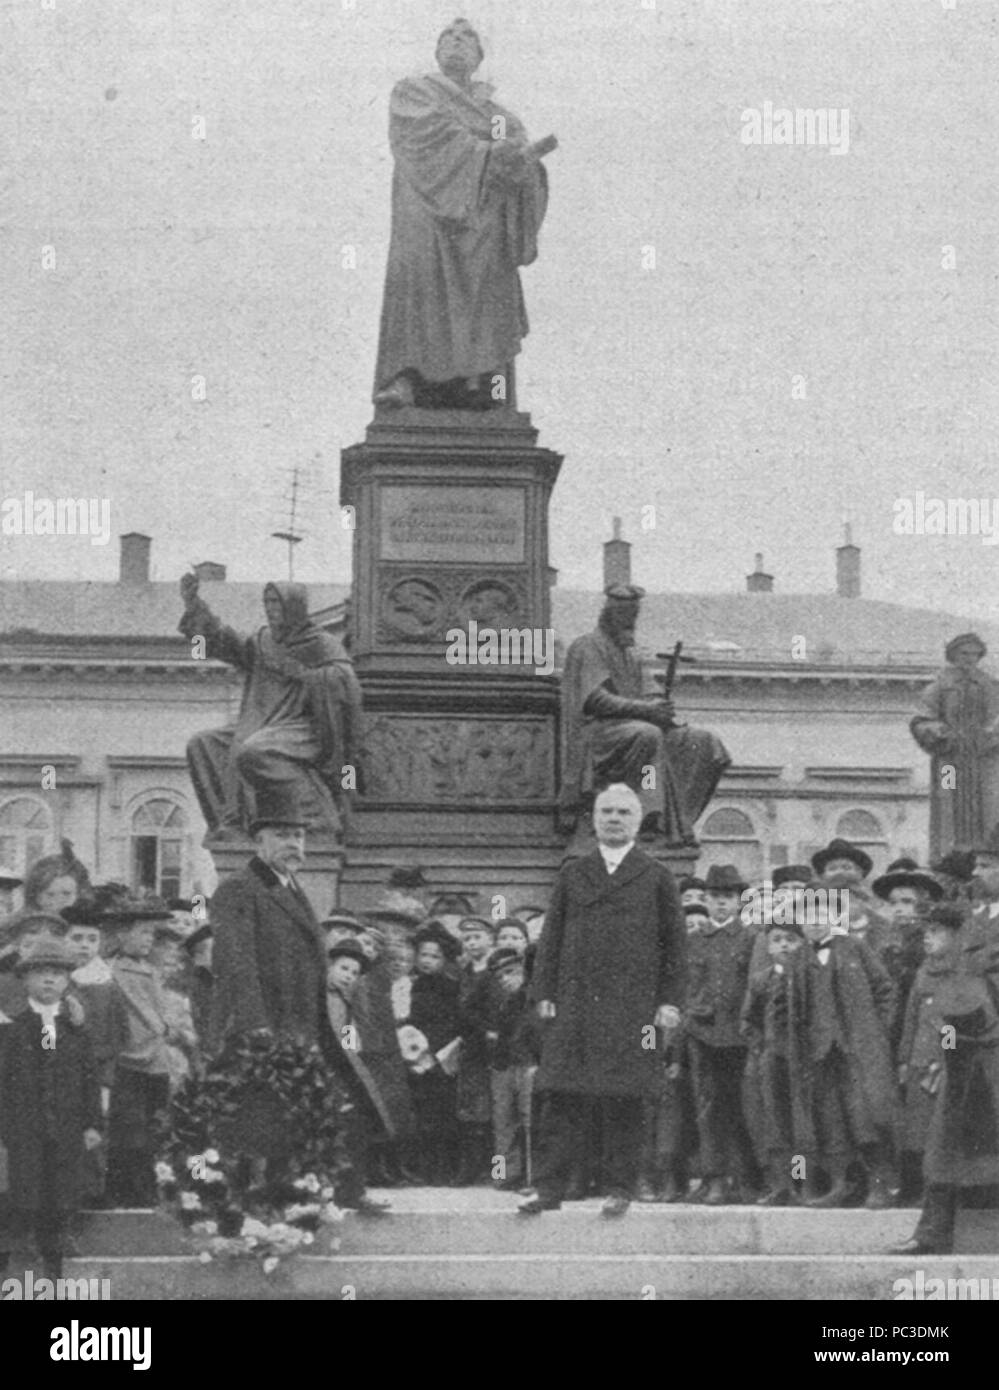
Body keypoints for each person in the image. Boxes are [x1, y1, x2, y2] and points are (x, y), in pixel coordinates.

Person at [521, 783, 686, 1218]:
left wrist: (669, 1001)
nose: (614, 819)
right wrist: (544, 993)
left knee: (624, 1099)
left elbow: (675, 945)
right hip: (575, 1004)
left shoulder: (656, 875)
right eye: (606, 812)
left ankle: (620, 1187)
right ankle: (548, 1187)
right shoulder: (574, 874)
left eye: (623, 813)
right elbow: (551, 939)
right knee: (561, 1095)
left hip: (633, 1007)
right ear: (594, 820)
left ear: (637, 822)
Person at [373, 18, 549, 410]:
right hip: (426, 212)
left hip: (481, 222)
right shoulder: (415, 92)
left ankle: (491, 391)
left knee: (490, 295)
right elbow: (425, 138)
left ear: (479, 56)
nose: (457, 41)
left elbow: (508, 143)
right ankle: (404, 382)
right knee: (418, 285)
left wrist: (520, 162)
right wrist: (489, 155)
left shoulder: (494, 112)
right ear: (437, 52)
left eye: (467, 37)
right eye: (448, 37)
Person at [179, 574, 362, 840]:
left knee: (255, 750)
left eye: (276, 602)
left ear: (294, 606)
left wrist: (304, 675)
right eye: (267, 602)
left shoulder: (321, 643)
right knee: (202, 744)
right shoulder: (262, 640)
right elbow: (221, 643)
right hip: (260, 723)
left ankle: (315, 818)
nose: (270, 609)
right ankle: (229, 825)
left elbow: (346, 685)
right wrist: (194, 606)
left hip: (304, 725)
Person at [208, 787, 327, 1161]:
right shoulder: (239, 889)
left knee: (292, 1118)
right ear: (259, 841)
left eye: (299, 835)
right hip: (265, 1027)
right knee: (260, 1120)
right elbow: (236, 963)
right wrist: (255, 1024)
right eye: (282, 835)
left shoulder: (292, 888)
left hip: (299, 1025)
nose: (293, 844)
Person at [558, 586, 731, 844]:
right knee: (648, 735)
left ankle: (679, 818)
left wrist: (661, 708)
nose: (630, 622)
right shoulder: (588, 646)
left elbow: (650, 692)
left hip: (633, 729)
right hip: (598, 734)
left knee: (704, 742)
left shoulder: (631, 656)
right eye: (624, 615)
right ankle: (651, 811)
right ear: (608, 615)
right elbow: (596, 699)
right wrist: (646, 710)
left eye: (633, 616)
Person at [891, 913, 999, 1255]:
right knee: (941, 1155)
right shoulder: (946, 973)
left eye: (936, 931)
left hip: (984, 1074)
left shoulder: (975, 973)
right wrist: (943, 1056)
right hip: (962, 1073)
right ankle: (932, 1234)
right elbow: (946, 1025)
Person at [0, 934, 102, 1272]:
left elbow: (88, 1078)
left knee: (60, 1194)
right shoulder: (13, 1028)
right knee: (24, 1192)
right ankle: (15, 1263)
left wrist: (92, 1123)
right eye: (40, 973)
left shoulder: (74, 1029)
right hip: (24, 1127)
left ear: (67, 980)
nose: (49, 980)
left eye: (57, 974)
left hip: (66, 1127)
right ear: (25, 979)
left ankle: (55, 1262)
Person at [803, 890, 898, 1209]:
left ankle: (880, 1184)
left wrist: (875, 1031)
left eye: (821, 917)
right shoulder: (799, 957)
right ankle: (842, 1184)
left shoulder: (855, 947)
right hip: (820, 1052)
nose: (815, 924)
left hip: (857, 1049)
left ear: (834, 919)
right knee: (832, 1118)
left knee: (866, 1116)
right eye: (808, 919)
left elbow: (885, 990)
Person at [684, 864, 760, 1204]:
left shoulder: (752, 939)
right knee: (708, 1108)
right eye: (714, 896)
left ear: (739, 901)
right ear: (706, 900)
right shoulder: (693, 940)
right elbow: (684, 986)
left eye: (728, 896)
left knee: (745, 1106)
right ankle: (714, 1178)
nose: (721, 903)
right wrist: (691, 1017)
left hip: (741, 1036)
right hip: (703, 1034)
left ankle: (746, 1179)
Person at [741, 912, 816, 1206]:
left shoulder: (811, 977)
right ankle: (781, 1185)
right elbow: (748, 1020)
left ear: (802, 943)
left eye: (791, 939)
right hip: (772, 1060)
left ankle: (803, 1184)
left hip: (803, 1059)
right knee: (775, 1122)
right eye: (777, 940)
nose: (784, 945)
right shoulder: (761, 980)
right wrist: (761, 1047)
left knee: (802, 1124)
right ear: (769, 946)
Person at [105, 898, 177, 1206]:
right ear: (122, 934)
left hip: (157, 1061)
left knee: (154, 1126)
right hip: (133, 1059)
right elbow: (146, 1016)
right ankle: (129, 1192)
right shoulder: (116, 971)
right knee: (130, 1131)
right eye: (143, 932)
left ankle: (149, 1189)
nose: (149, 939)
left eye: (152, 933)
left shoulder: (149, 969)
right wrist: (165, 1029)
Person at [895, 904, 966, 1203]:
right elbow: (911, 1019)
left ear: (955, 936)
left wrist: (946, 1059)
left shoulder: (964, 973)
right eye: (926, 931)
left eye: (935, 932)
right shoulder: (924, 972)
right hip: (919, 1061)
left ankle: (945, 1194)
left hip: (945, 1065)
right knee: (916, 1131)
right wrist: (904, 1059)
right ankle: (921, 1190)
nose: (927, 937)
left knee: (944, 1133)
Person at [911, 633, 999, 861]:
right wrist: (938, 731)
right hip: (949, 761)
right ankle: (947, 856)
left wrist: (992, 734)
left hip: (984, 762)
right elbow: (921, 720)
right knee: (947, 800)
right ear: (953, 656)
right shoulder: (938, 688)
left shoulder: (992, 687)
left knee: (989, 804)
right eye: (964, 654)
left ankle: (989, 857)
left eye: (974, 654)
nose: (969, 659)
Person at [321, 940, 392, 1217]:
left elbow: (350, 1043)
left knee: (355, 1127)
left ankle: (352, 1192)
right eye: (344, 968)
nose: (348, 976)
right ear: (329, 966)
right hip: (321, 1073)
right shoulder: (318, 997)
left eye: (354, 972)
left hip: (342, 1074)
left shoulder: (346, 1001)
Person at [477, 947, 539, 1191]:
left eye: (511, 972)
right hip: (503, 1068)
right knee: (502, 1125)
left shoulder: (534, 1000)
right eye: (500, 976)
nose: (505, 979)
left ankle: (534, 1179)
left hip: (528, 1066)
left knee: (530, 1123)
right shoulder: (503, 1004)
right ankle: (502, 1175)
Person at [407, 922, 463, 1184]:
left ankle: (444, 1169)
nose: (427, 961)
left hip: (441, 1058)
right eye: (423, 955)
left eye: (435, 956)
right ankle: (422, 1168)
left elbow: (454, 1024)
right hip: (414, 1057)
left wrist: (435, 1053)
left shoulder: (451, 988)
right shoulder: (411, 986)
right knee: (420, 1113)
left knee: (443, 1113)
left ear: (445, 960)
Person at [454, 916, 496, 1185]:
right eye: (467, 939)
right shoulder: (464, 972)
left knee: (495, 1109)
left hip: (492, 1045)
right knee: (470, 1108)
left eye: (477, 937)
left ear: (490, 939)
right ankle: (470, 1168)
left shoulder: (495, 970)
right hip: (470, 1047)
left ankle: (497, 1170)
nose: (471, 943)